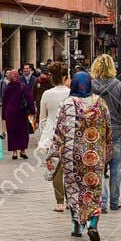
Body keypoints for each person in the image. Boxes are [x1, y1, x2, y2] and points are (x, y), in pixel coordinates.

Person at [52, 70, 110, 241]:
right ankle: (93, 224)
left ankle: (77, 225)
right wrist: (107, 151)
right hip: (94, 156)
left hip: (73, 157)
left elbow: (59, 130)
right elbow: (108, 128)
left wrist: (54, 152)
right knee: (93, 189)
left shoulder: (67, 104)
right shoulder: (100, 103)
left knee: (73, 188)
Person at [88, 55, 121, 212]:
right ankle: (114, 201)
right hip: (115, 130)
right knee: (116, 166)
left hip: (96, 130)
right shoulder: (120, 87)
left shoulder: (90, 86)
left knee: (99, 167)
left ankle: (102, 202)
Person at [35, 61, 71, 214]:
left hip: (52, 135)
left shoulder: (47, 94)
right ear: (65, 77)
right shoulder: (71, 93)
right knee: (70, 169)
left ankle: (60, 202)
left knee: (56, 169)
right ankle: (71, 200)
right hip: (69, 133)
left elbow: (42, 118)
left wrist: (45, 133)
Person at [0, 69, 33, 160]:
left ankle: (14, 153)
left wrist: (3, 115)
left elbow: (5, 102)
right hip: (21, 112)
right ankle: (23, 151)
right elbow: (29, 99)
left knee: (12, 132)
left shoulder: (7, 88)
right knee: (23, 132)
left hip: (10, 113)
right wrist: (32, 111)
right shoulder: (23, 86)